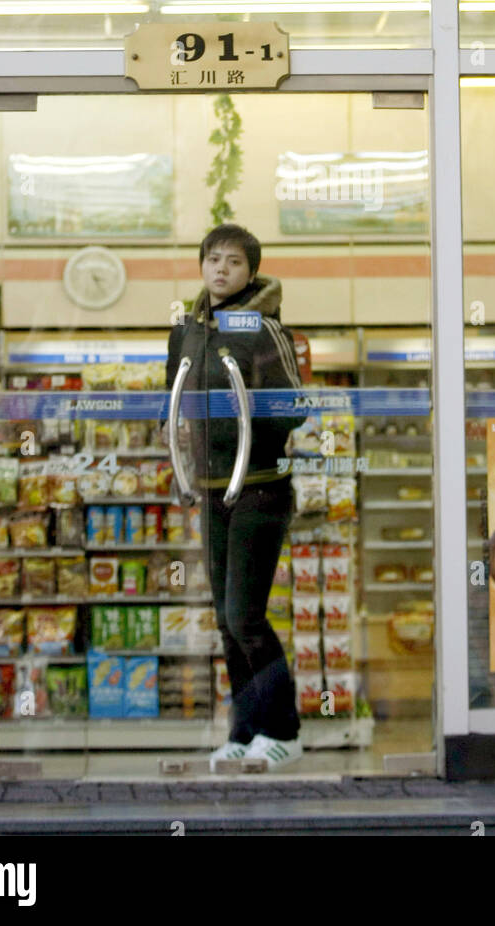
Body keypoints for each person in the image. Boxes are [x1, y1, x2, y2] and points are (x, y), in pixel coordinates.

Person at [165, 224, 305, 772]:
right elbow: (170, 400)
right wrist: (172, 430)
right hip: (208, 489)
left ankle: (284, 731)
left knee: (246, 617)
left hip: (261, 486)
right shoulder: (185, 330)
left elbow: (294, 405)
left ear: (251, 272)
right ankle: (246, 731)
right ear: (201, 266)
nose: (220, 269)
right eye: (213, 260)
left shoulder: (263, 329)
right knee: (226, 619)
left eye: (234, 262)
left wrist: (244, 416)